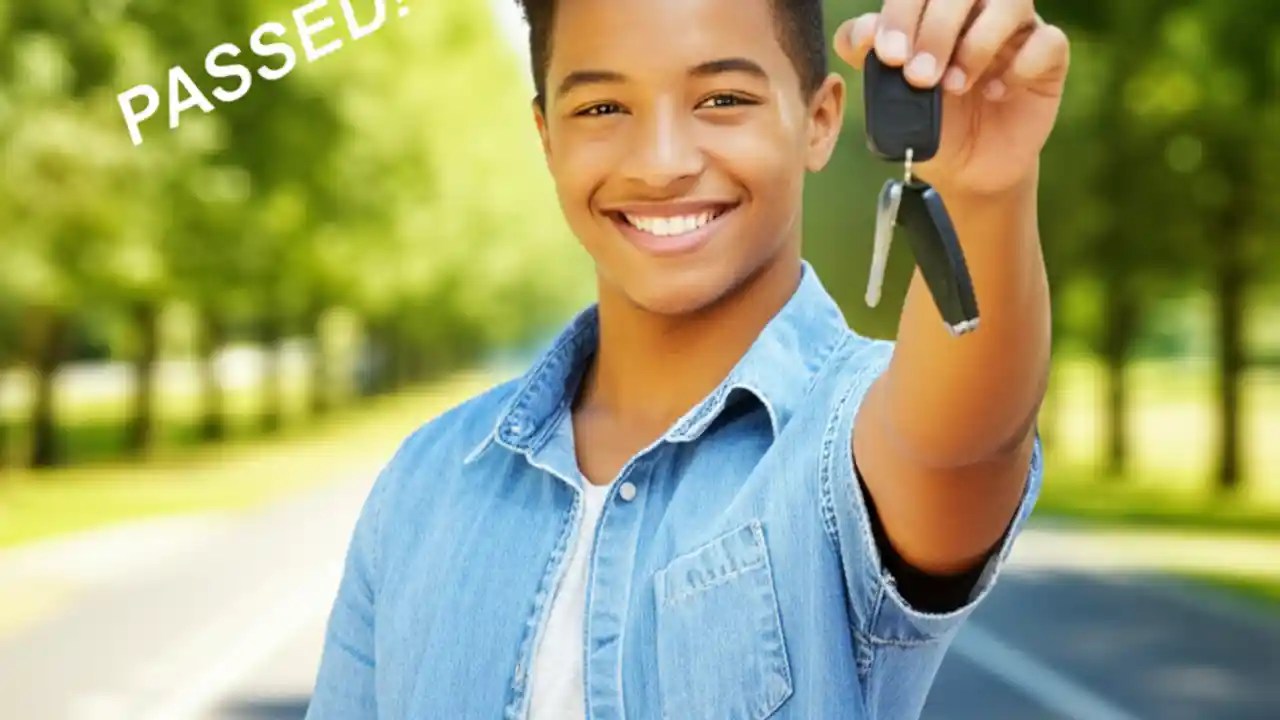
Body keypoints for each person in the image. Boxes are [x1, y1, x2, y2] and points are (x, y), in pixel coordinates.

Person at [304, 0, 1069, 717]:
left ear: (819, 120)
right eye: (602, 109)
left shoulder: (850, 442)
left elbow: (964, 441)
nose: (661, 162)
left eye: (723, 100)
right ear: (547, 138)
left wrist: (986, 193)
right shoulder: (422, 484)